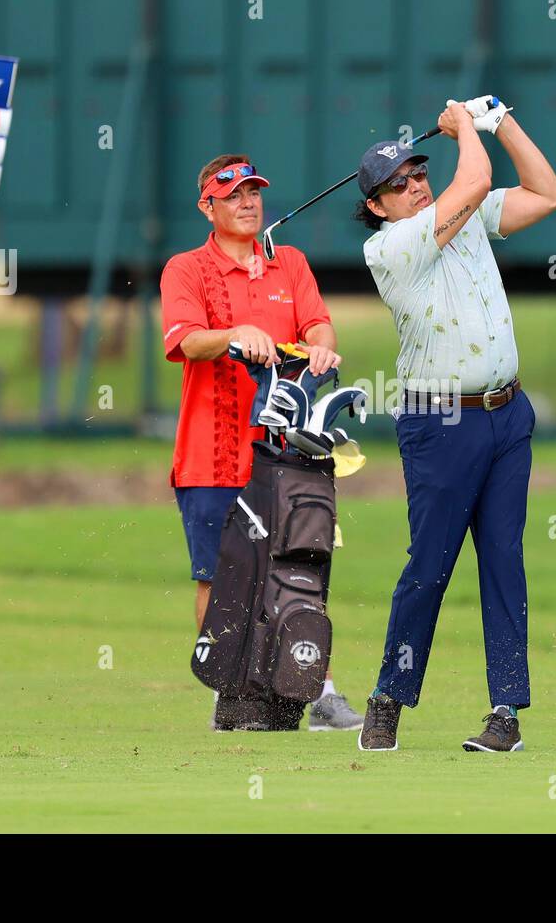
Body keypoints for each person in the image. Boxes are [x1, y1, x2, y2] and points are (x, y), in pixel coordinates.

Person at [354, 97, 556, 752]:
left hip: (508, 415)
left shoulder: (466, 219)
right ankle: (389, 695)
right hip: (439, 421)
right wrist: (463, 129)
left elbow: (548, 192)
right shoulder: (390, 247)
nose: (414, 186)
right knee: (431, 565)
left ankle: (506, 711)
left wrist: (500, 122)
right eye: (398, 185)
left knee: (505, 560)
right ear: (376, 207)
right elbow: (470, 182)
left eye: (418, 175)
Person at [159, 153, 362, 731]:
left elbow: (318, 324)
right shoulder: (186, 269)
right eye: (234, 195)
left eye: (254, 193)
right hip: (212, 453)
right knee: (217, 577)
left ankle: (314, 688)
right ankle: (233, 696)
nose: (248, 203)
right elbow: (185, 341)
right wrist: (234, 334)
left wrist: (321, 344)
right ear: (209, 206)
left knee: (300, 565)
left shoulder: (289, 263)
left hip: (289, 452)